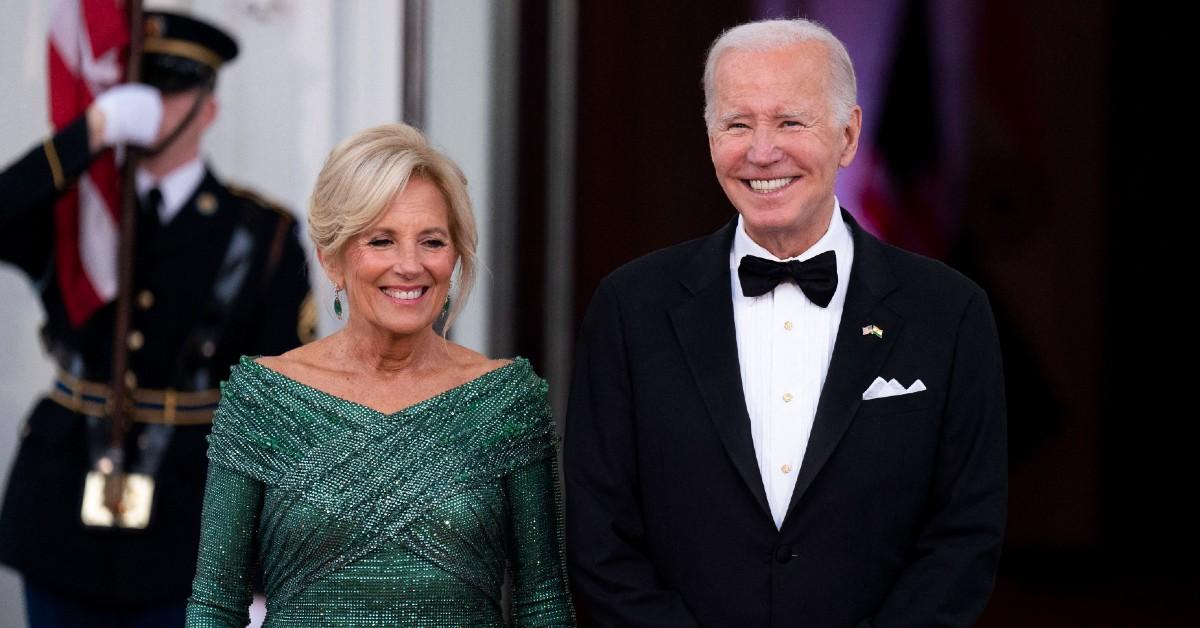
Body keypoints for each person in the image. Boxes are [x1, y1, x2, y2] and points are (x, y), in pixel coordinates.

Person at [565, 18, 1006, 628]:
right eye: (737, 123)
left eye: (790, 122)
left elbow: (964, 536)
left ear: (848, 135)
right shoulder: (629, 308)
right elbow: (599, 531)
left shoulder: (949, 313)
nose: (761, 151)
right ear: (710, 136)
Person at [184, 123, 575, 627]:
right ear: (332, 259)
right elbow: (216, 603)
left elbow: (543, 602)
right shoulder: (263, 399)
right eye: (382, 240)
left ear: (455, 256)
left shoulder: (505, 401)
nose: (410, 266)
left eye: (432, 241)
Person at [0, 10, 313, 627]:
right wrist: (87, 134)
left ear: (208, 110)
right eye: (133, 90)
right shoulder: (76, 215)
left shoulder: (260, 234)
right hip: (64, 521)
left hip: (192, 530)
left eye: (169, 90)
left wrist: (266, 566)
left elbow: (286, 413)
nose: (149, 106)